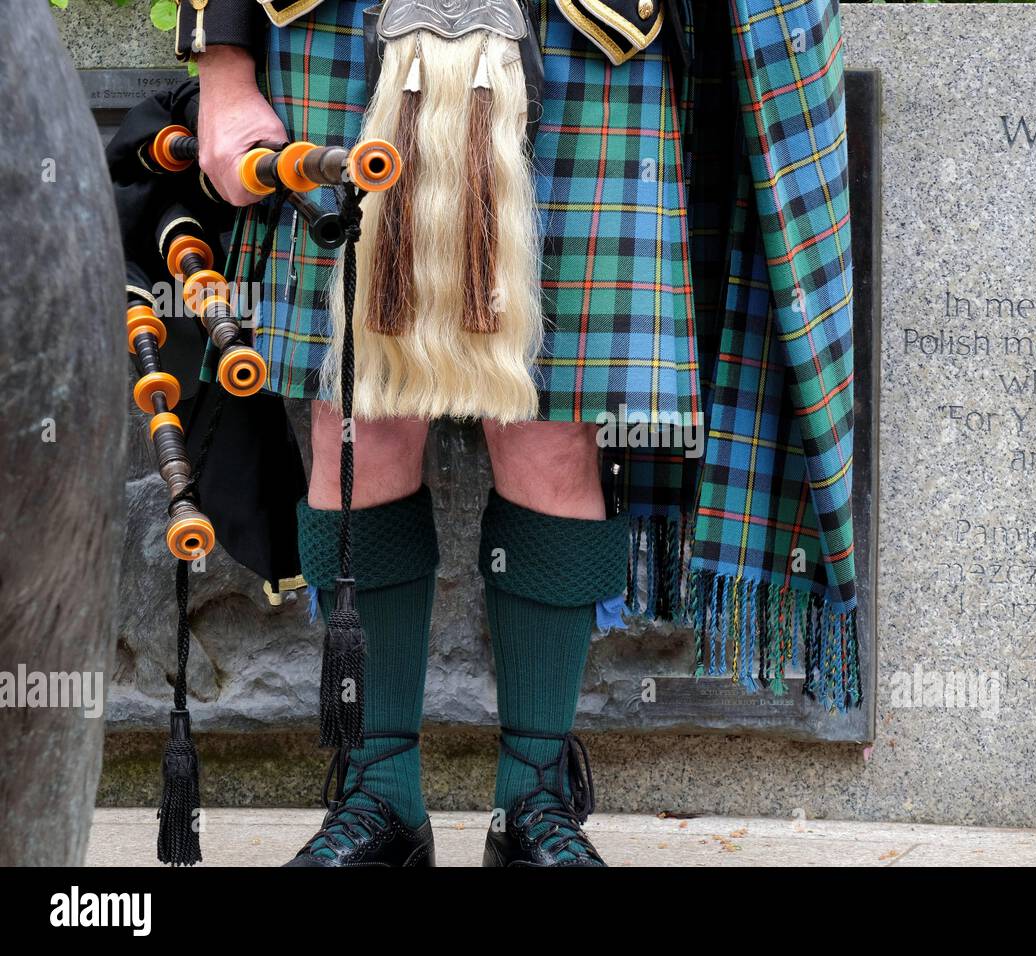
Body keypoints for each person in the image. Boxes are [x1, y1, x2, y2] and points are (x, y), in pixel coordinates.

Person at [175, 0, 859, 867]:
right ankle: (379, 797)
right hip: (340, 24)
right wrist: (224, 67)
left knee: (550, 428)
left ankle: (534, 805)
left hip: (589, 31)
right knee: (361, 415)